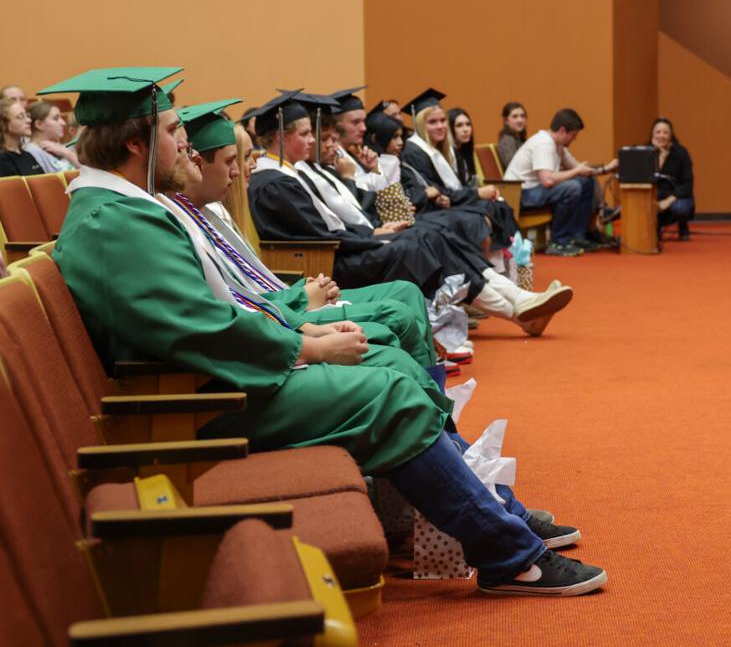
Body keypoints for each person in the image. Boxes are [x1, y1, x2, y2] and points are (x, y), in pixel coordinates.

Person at [42, 66, 604, 595]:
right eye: (172, 131)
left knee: (393, 353)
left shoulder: (125, 209)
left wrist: (300, 337)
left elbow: (207, 317)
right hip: (199, 399)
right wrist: (305, 344)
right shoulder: (116, 221)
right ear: (136, 142)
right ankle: (510, 556)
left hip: (217, 375)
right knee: (387, 390)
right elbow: (203, 329)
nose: (184, 143)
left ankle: (495, 516)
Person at [160, 99, 440, 381]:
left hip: (282, 300)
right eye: (237, 159)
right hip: (309, 278)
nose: (245, 169)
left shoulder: (211, 210)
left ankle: (432, 380)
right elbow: (235, 301)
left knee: (407, 287)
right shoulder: (181, 216)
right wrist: (300, 298)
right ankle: (431, 395)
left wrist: (297, 291)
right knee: (396, 312)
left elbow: (248, 281)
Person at [248, 92, 570, 336]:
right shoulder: (274, 183)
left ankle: (519, 301)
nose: (313, 140)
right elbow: (319, 237)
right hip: (330, 264)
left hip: (344, 248)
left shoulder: (293, 172)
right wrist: (375, 237)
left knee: (430, 234)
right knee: (418, 242)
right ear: (280, 137)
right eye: (305, 134)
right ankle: (518, 311)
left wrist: (375, 232)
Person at [503, 109, 617, 257]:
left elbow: (579, 169)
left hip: (534, 190)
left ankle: (577, 237)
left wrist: (605, 169)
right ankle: (558, 241)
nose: (574, 139)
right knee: (572, 187)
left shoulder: (558, 145)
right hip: (520, 194)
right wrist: (576, 172)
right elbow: (547, 180)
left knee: (586, 182)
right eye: (573, 135)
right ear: (563, 131)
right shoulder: (544, 143)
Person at [651, 117, 695, 241]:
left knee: (680, 208)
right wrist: (660, 159)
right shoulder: (646, 152)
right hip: (654, 196)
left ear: (671, 136)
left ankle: (682, 224)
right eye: (658, 132)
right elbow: (647, 179)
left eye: (665, 132)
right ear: (652, 135)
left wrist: (669, 200)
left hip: (675, 196)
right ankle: (656, 227)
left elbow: (688, 183)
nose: (661, 136)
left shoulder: (681, 153)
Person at [26, 100, 81, 172]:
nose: (63, 123)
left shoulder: (60, 149)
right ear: (39, 124)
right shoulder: (32, 152)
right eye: (56, 118)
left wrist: (66, 153)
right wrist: (66, 153)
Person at [0, 96, 44, 177]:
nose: (29, 120)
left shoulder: (28, 156)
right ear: (3, 124)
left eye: (27, 115)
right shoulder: (2, 160)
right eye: (20, 117)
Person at [449, 107, 482, 186]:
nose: (466, 129)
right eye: (459, 125)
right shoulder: (449, 155)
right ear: (449, 129)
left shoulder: (465, 152)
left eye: (468, 124)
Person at [496, 102, 528, 172]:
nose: (520, 120)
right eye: (515, 116)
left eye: (522, 116)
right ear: (506, 121)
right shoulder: (506, 140)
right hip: (514, 182)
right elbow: (513, 167)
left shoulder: (519, 138)